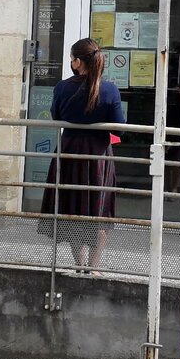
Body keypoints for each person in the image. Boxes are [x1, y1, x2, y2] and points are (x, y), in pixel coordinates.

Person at [38, 37, 124, 274]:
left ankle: (79, 265)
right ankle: (93, 268)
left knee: (73, 207)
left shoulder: (62, 87)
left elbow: (57, 117)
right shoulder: (110, 89)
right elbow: (119, 128)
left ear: (77, 62)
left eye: (71, 59)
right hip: (99, 154)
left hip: (70, 151)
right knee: (99, 209)